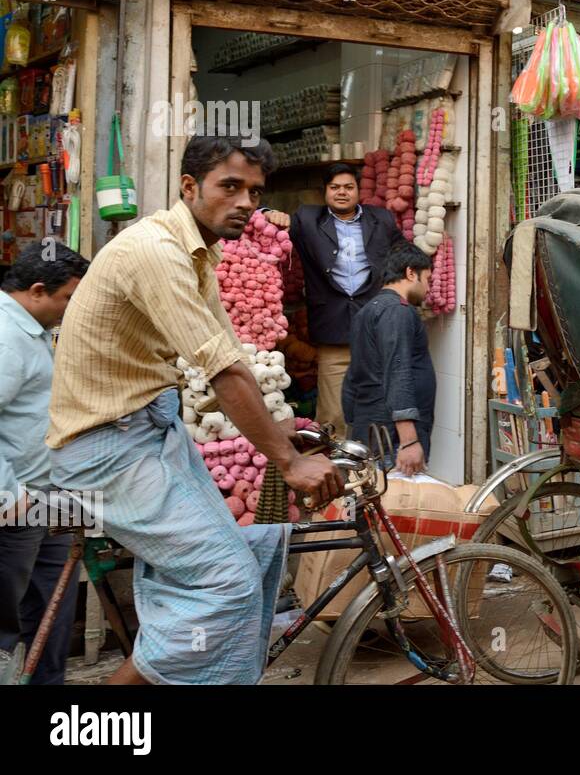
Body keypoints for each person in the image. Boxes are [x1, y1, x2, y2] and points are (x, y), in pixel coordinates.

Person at [45, 134, 342, 685]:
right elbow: (221, 370)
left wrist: (284, 434)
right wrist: (285, 462)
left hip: (150, 432)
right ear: (189, 187)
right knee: (228, 580)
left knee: (261, 543)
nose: (246, 203)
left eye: (255, 192)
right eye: (230, 186)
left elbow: (231, 355)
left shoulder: (200, 253)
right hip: (106, 448)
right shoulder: (156, 251)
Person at [0, 242, 88, 684]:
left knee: (53, 607)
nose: (70, 308)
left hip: (48, 495)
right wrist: (8, 494)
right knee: (7, 623)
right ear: (37, 290)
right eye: (68, 298)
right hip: (14, 503)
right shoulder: (5, 335)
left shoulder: (30, 330)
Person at [270, 164, 402, 435]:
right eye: (335, 187)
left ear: (358, 191)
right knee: (333, 411)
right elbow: (268, 223)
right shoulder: (308, 219)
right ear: (325, 192)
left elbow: (405, 254)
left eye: (348, 187)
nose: (342, 193)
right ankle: (334, 468)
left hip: (374, 327)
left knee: (377, 402)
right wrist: (267, 213)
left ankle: (373, 466)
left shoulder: (382, 220)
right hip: (332, 326)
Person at [343, 242, 435, 475]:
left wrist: (358, 426)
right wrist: (409, 441)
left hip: (370, 428)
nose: (428, 289)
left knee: (369, 500)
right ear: (410, 273)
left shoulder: (366, 311)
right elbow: (398, 371)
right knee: (394, 506)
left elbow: (351, 378)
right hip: (391, 438)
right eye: (427, 280)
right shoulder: (398, 311)